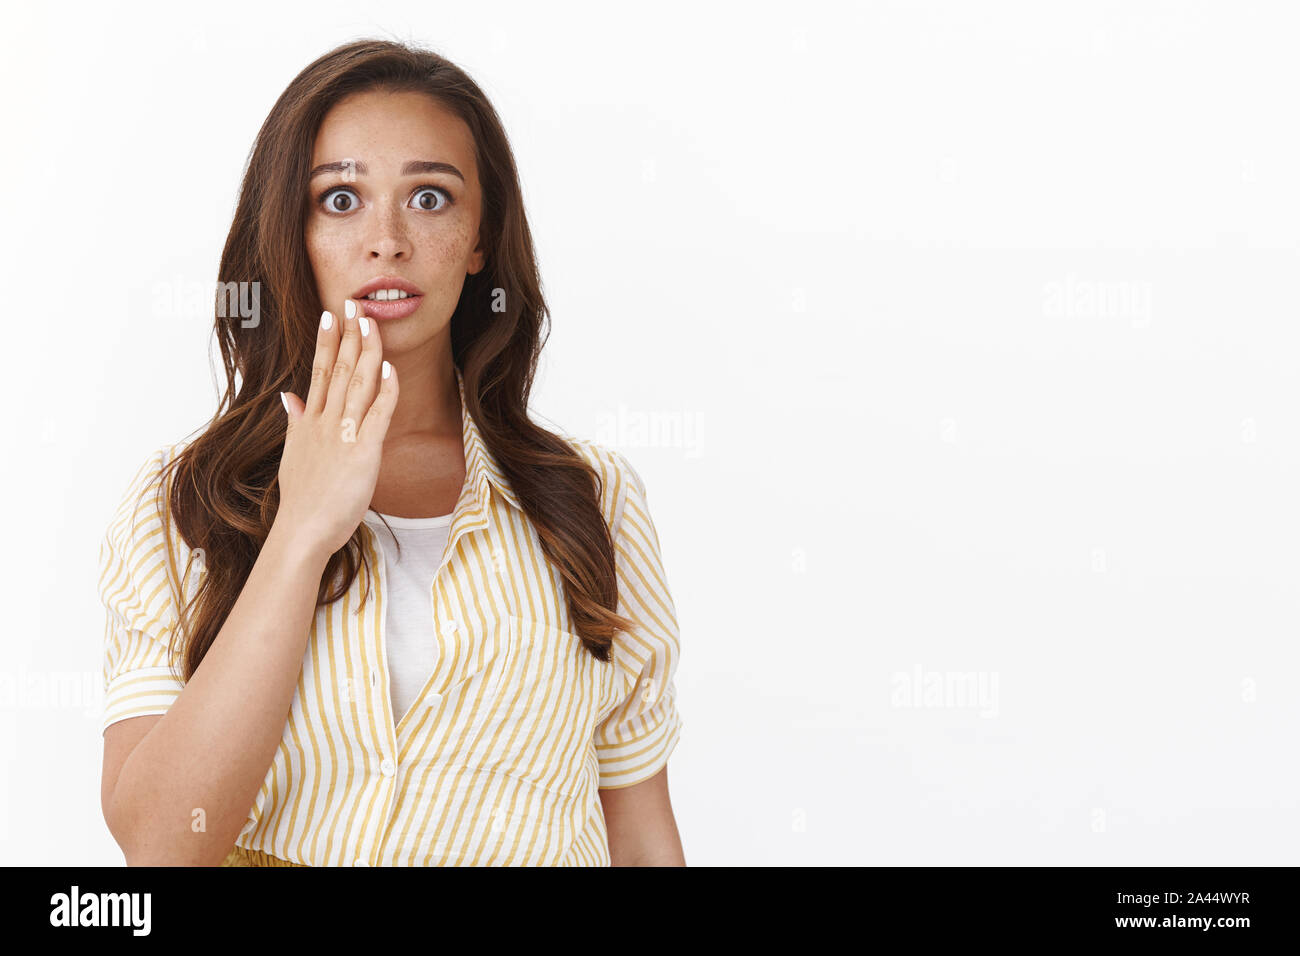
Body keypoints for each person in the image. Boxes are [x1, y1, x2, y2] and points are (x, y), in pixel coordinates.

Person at [97, 38, 684, 867]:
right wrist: (302, 530)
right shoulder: (184, 501)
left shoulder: (592, 499)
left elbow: (641, 833)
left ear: (481, 238)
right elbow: (161, 846)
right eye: (340, 199)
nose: (387, 240)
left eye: (431, 198)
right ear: (290, 231)